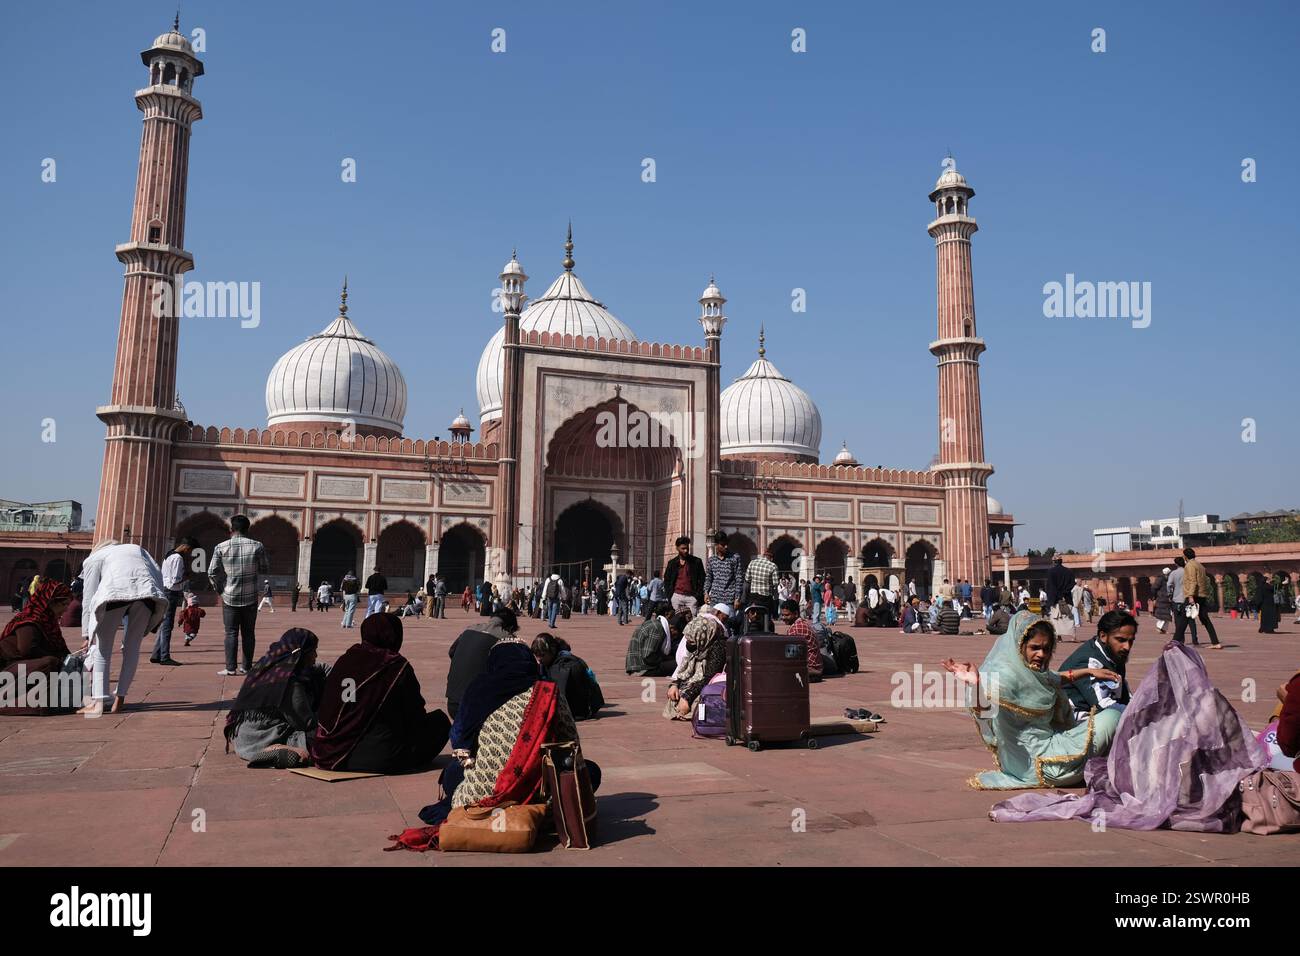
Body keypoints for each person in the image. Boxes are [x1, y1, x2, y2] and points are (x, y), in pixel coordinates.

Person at [415, 641, 593, 831]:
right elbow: (572, 746)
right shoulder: (549, 692)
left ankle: (496, 809)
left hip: (476, 800)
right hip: (540, 794)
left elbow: (459, 742)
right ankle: (539, 813)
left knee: (451, 774)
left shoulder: (478, 689)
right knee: (590, 772)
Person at [942, 611, 1124, 789]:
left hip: (1022, 767)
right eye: (1034, 648)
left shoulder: (1032, 674)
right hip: (1049, 766)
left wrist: (1088, 671)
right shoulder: (1003, 678)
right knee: (1113, 716)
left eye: (1046, 649)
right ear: (1020, 645)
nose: (1041, 655)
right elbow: (984, 710)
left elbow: (1056, 677)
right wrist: (975, 685)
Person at [309, 613, 450, 773]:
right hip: (380, 758)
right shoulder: (395, 666)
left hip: (328, 753)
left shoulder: (345, 660)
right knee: (440, 722)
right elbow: (415, 714)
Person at [79, 542, 168, 715]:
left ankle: (99, 702)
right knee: (132, 648)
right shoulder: (137, 549)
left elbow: (88, 597)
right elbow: (157, 572)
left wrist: (86, 634)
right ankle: (119, 700)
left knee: (103, 650)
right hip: (147, 596)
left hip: (114, 595)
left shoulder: (94, 558)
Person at [224, 628, 328, 768]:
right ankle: (279, 749)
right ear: (301, 654)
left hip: (244, 738)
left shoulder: (271, 664)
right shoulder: (290, 683)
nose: (315, 656)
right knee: (327, 740)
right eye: (313, 651)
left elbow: (320, 668)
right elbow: (305, 723)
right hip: (265, 738)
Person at [0, 580, 81, 714]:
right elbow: (28, 650)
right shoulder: (30, 620)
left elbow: (62, 651)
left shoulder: (49, 623)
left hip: (20, 671)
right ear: (50, 602)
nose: (66, 609)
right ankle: (33, 704)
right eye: (64, 604)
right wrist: (59, 660)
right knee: (49, 663)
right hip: (6, 671)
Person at [208, 514, 270, 677]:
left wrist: (221, 589)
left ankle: (230, 668)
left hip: (229, 596)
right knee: (249, 633)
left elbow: (211, 572)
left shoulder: (221, 547)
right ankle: (247, 667)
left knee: (231, 632)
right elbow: (264, 568)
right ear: (248, 529)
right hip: (250, 596)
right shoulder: (258, 546)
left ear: (231, 529)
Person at [1059, 609, 1135, 721]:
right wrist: (1137, 714)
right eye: (1121, 640)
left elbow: (1124, 696)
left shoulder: (1115, 655)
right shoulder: (1088, 661)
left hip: (1099, 713)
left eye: (1131, 641)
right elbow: (1102, 705)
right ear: (1103, 636)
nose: (1127, 647)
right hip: (1075, 721)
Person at [445, 609, 520, 718]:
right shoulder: (507, 638)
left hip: (453, 703)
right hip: (477, 709)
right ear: (511, 628)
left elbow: (452, 652)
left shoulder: (469, 630)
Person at [665, 608, 727, 719]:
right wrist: (674, 685)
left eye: (692, 641)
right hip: (696, 684)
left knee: (700, 705)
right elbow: (684, 666)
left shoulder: (718, 647)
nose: (689, 644)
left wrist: (687, 697)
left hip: (710, 686)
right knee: (675, 696)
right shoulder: (700, 646)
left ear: (702, 636)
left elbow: (709, 678)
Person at [532, 633, 604, 720]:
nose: (539, 659)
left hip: (578, 711)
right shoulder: (565, 657)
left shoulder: (561, 668)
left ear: (553, 650)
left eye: (542, 655)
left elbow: (560, 699)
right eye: (536, 655)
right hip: (586, 708)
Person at [151, 535, 196, 666]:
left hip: (165, 590)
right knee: (167, 626)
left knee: (165, 625)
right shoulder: (178, 558)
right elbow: (175, 579)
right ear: (186, 547)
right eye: (190, 550)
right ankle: (165, 657)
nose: (189, 553)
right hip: (171, 592)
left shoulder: (169, 555)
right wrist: (187, 576)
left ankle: (156, 654)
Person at [1174, 548, 1221, 649]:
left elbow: (1192, 581)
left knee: (1183, 619)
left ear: (1185, 556)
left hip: (1194, 596)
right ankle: (1215, 642)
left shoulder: (1190, 566)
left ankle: (1175, 642)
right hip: (1201, 595)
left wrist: (1190, 596)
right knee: (1205, 619)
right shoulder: (1200, 565)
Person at [625, 606, 683, 677]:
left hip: (639, 666)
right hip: (642, 668)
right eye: (676, 633)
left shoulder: (655, 624)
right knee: (680, 664)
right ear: (672, 628)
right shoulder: (657, 628)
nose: (674, 636)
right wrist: (666, 658)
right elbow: (648, 656)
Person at [779, 598, 822, 683]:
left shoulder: (796, 628)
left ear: (795, 614)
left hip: (811, 670)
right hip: (816, 667)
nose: (783, 618)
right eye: (782, 615)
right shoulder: (802, 623)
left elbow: (791, 655)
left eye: (787, 615)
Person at [663, 535, 706, 616]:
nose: (686, 551)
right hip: (676, 596)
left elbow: (703, 579)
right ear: (677, 548)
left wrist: (697, 596)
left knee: (691, 623)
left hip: (691, 597)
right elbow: (666, 580)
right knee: (677, 622)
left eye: (687, 548)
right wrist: (670, 596)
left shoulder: (696, 562)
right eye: (683, 548)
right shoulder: (672, 563)